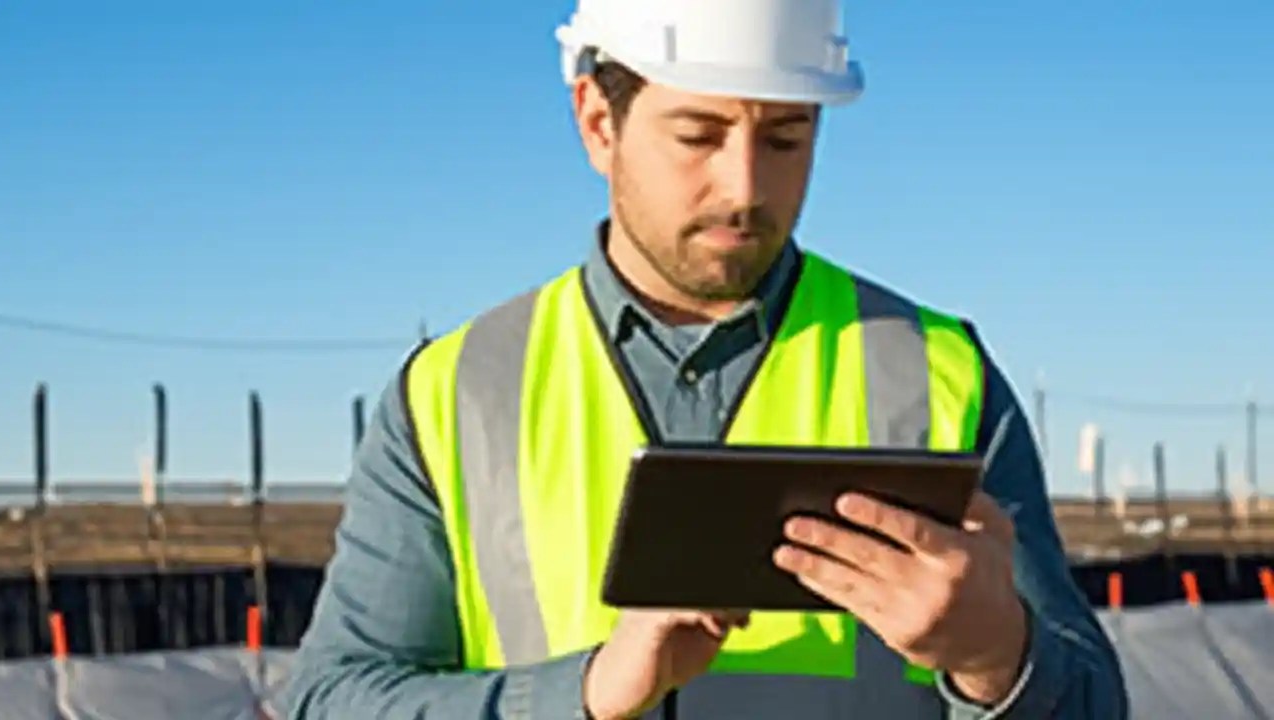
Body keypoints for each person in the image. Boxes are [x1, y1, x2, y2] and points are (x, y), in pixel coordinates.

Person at [283, 1, 1128, 717]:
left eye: (787, 138)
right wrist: (585, 692)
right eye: (699, 133)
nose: (746, 187)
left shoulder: (941, 371)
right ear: (596, 121)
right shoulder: (454, 392)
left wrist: (993, 657)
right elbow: (333, 698)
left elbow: (1093, 699)